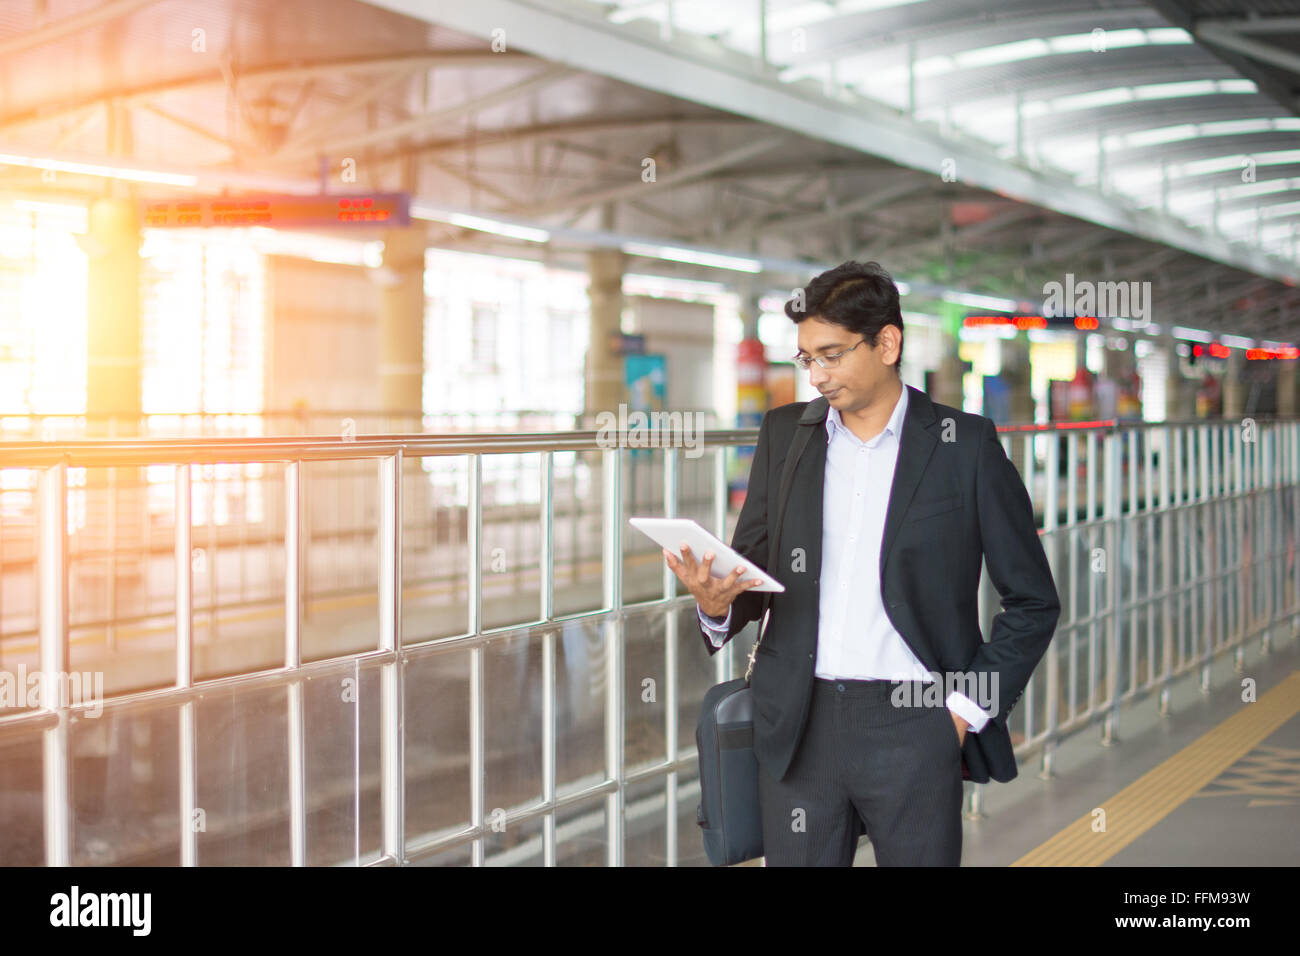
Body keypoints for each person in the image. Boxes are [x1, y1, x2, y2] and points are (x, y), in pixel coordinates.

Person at [665, 261, 1060, 866]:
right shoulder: (786, 436)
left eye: (832, 355)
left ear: (887, 343)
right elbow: (755, 567)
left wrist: (961, 713)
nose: (817, 375)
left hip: (917, 723)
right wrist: (717, 605)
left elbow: (1032, 601)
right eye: (806, 359)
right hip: (799, 726)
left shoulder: (964, 446)